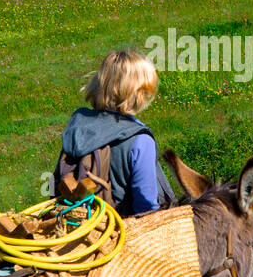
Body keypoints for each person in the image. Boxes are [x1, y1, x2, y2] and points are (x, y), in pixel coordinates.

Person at [56, 49, 175, 217]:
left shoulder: (79, 126)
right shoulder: (140, 140)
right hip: (120, 231)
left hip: (77, 221)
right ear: (139, 93)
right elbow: (146, 205)